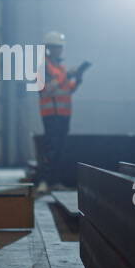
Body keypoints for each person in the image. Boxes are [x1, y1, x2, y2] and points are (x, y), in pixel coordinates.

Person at [37, 31, 86, 193]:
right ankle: (44, 181)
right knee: (50, 148)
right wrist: (66, 76)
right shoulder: (43, 66)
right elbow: (45, 90)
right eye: (56, 47)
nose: (60, 51)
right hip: (51, 114)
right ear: (48, 48)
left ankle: (54, 181)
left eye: (61, 47)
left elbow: (67, 90)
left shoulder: (60, 67)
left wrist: (77, 80)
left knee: (59, 149)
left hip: (64, 114)